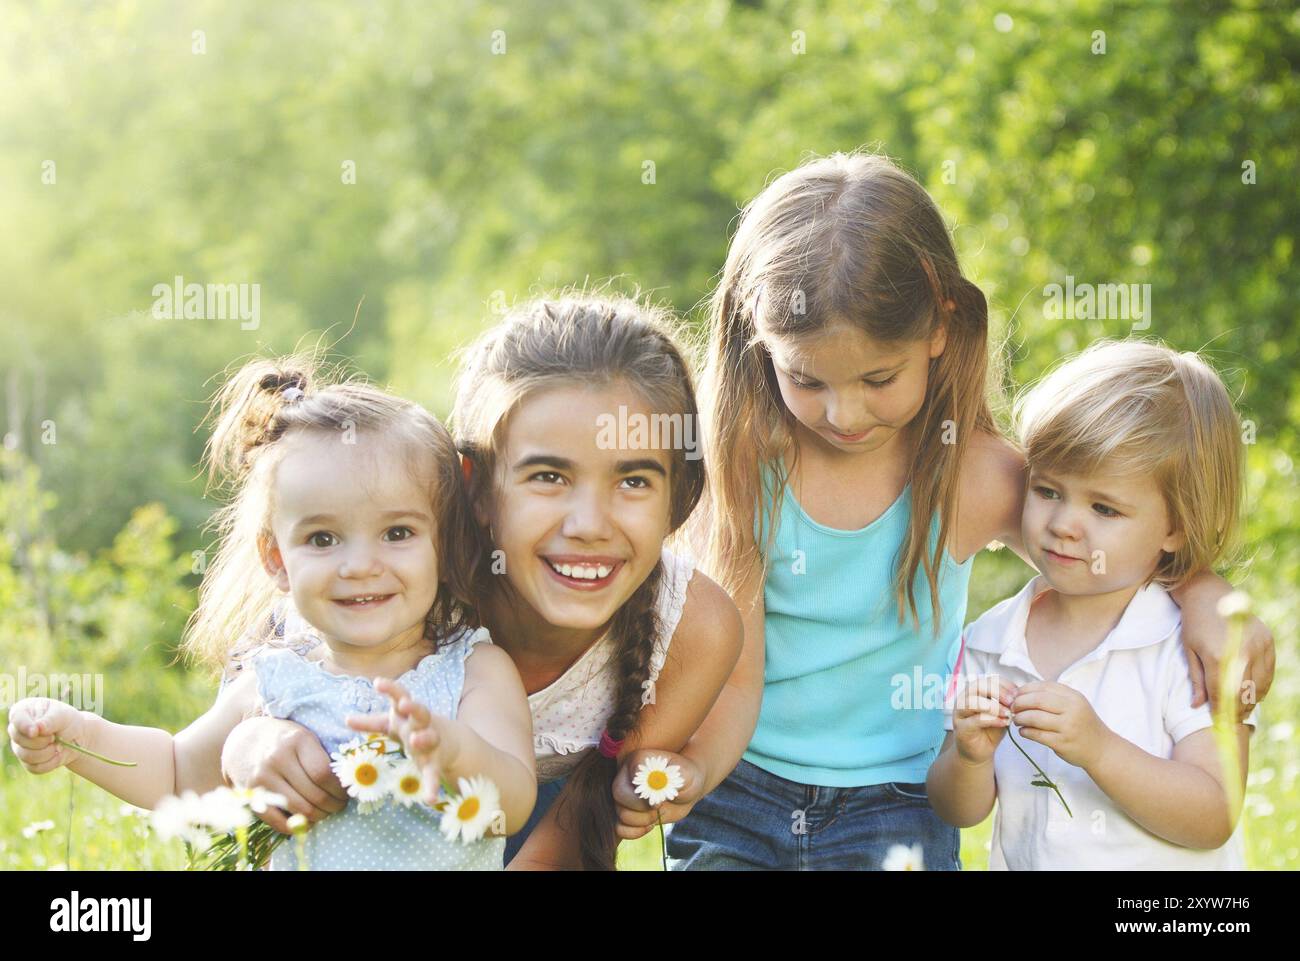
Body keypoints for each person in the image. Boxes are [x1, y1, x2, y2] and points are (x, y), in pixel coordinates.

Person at [8, 356, 535, 869]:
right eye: (322, 538)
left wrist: (453, 753)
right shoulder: (274, 681)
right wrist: (81, 739)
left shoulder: (471, 672)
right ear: (277, 560)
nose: (359, 565)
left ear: (443, 546)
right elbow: (174, 771)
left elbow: (509, 807)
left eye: (397, 533)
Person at [928, 340, 1257, 868]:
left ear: (1175, 526)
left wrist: (1099, 749)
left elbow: (1214, 814)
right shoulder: (990, 639)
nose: (1062, 525)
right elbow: (958, 811)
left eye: (1104, 507)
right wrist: (969, 755)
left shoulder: (1189, 650)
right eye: (1048, 491)